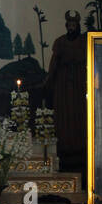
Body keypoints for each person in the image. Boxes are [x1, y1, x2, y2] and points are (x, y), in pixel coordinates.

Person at [42, 11, 87, 172]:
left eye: (74, 25)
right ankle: (65, 146)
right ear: (67, 26)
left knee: (79, 113)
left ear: (77, 26)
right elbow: (54, 64)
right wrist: (48, 81)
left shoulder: (83, 42)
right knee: (65, 114)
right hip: (63, 85)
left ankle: (81, 146)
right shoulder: (60, 42)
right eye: (70, 25)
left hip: (80, 84)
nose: (72, 27)